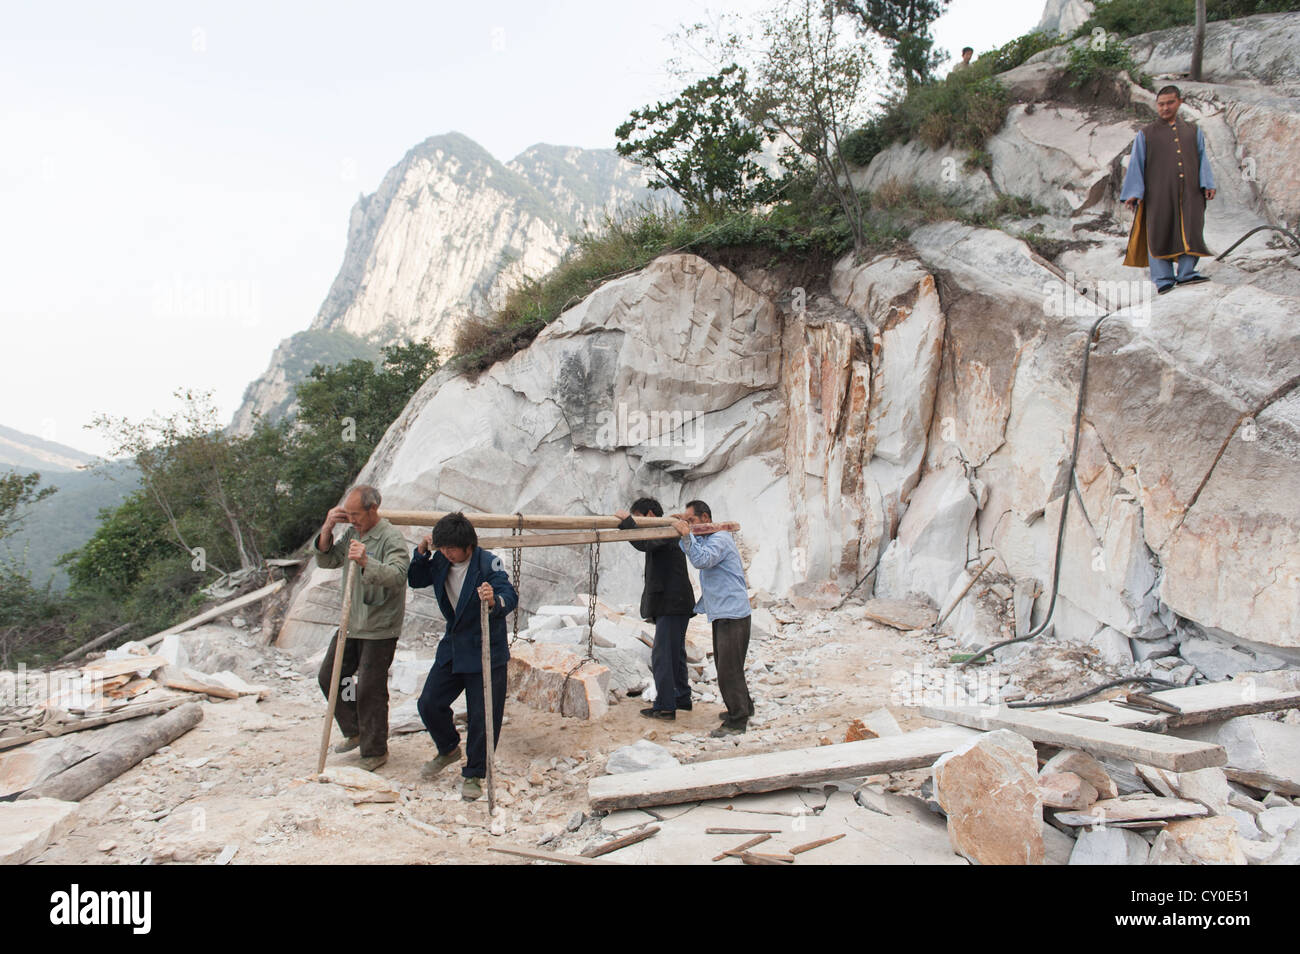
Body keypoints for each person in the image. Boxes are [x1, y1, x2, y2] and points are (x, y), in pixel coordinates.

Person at [409, 512, 517, 801]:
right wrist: (421, 554)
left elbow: (510, 594)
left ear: (468, 545)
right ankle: (448, 748)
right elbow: (416, 579)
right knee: (429, 702)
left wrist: (494, 600)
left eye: (452, 549)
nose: (447, 554)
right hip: (455, 645)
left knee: (483, 717)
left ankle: (475, 773)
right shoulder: (442, 559)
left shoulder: (487, 562)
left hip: (485, 648)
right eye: (442, 548)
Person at [314, 485, 410, 771]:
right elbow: (328, 558)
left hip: (379, 625)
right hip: (351, 622)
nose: (353, 520)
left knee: (370, 688)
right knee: (331, 676)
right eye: (349, 515)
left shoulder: (390, 536)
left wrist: (367, 561)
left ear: (373, 509)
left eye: (356, 514)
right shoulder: (353, 533)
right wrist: (328, 527)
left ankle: (374, 750)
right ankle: (355, 729)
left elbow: (398, 574)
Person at [1121, 85, 1217, 294]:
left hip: (1190, 192)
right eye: (1161, 104)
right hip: (1158, 194)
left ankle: (1186, 274)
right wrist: (1133, 193)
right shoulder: (1146, 134)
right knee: (1159, 232)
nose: (1165, 108)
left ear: (1179, 102)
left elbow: (1202, 158)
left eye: (1169, 103)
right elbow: (1137, 163)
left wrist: (1207, 183)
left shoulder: (1193, 130)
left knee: (1191, 229)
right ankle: (1163, 279)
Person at [671, 500, 753, 738]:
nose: (689, 524)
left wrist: (686, 535)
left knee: (729, 669)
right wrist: (682, 529)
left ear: (705, 518)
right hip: (724, 612)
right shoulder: (707, 538)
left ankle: (737, 721)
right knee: (728, 665)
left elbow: (701, 560)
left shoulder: (720, 539)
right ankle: (745, 707)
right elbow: (690, 548)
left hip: (732, 613)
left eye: (692, 520)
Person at [616, 498, 697, 721]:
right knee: (675, 654)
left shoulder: (666, 529)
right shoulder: (668, 528)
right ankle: (681, 698)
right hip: (675, 603)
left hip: (672, 603)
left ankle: (665, 706)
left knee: (662, 654)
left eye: (639, 517)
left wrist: (627, 522)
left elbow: (644, 543)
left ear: (650, 514)